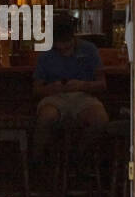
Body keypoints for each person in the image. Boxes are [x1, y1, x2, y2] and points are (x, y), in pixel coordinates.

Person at [32, 11, 108, 163]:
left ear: (73, 38)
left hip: (83, 96)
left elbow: (102, 84)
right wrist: (53, 88)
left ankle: (77, 157)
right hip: (54, 98)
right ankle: (39, 163)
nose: (64, 53)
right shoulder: (45, 53)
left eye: (67, 48)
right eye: (60, 50)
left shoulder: (89, 50)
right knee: (45, 118)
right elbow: (36, 89)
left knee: (100, 120)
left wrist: (82, 85)